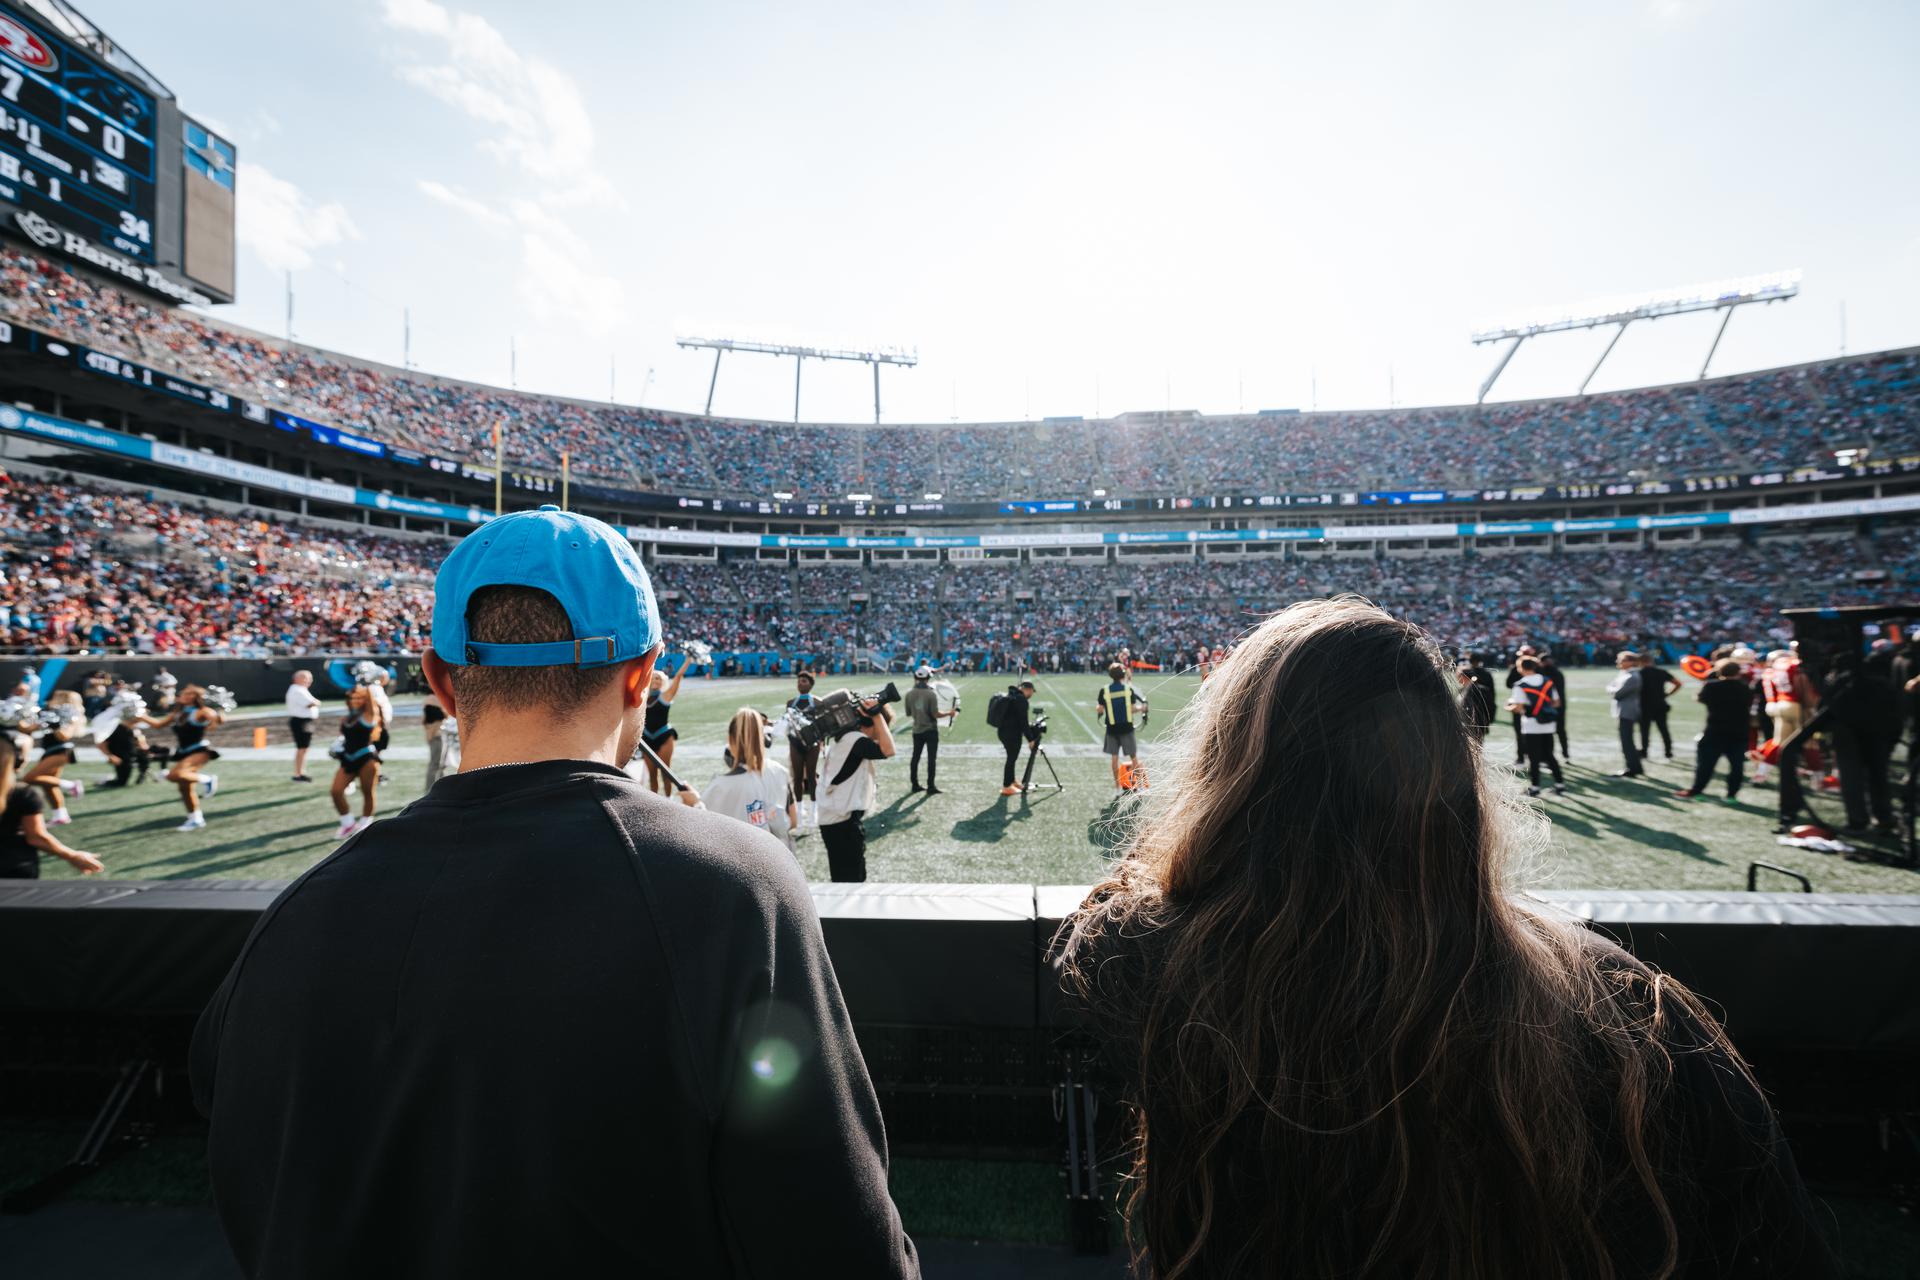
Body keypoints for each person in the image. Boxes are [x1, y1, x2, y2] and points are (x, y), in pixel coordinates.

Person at [190, 504, 916, 1279]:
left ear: (439, 679)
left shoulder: (299, 912)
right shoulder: (734, 888)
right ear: (643, 672)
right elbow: (839, 1240)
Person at [1058, 597, 1833, 1279]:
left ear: (1234, 775)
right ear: (1454, 776)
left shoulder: (1153, 963)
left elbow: (1116, 914)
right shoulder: (1636, 1020)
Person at [816, 697, 896, 882]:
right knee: (851, 882)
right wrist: (877, 715)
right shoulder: (855, 740)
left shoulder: (847, 739)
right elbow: (888, 750)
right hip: (841, 822)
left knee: (844, 878)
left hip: (835, 818)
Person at [0, 741, 103, 877]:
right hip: (14, 868)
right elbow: (36, 837)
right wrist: (72, 856)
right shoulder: (23, 794)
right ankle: (69, 790)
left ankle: (62, 810)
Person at [703, 708, 796, 852]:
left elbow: (703, 831)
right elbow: (793, 821)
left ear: (730, 740)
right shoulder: (780, 772)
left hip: (744, 866)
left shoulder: (720, 786)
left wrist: (694, 802)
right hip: (783, 861)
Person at [138, 685, 223, 832]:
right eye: (183, 693)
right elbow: (158, 724)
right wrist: (139, 715)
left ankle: (208, 780)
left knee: (175, 775)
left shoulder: (201, 711)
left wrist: (217, 714)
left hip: (200, 751)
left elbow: (214, 717)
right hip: (183, 752)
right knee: (184, 788)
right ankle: (196, 819)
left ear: (195, 697)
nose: (183, 695)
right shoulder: (178, 713)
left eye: (188, 693)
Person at [1675, 659, 1753, 800]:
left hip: (1715, 730)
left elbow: (1699, 698)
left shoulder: (1712, 686)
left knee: (1705, 764)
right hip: (1739, 731)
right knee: (1737, 766)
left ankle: (1697, 790)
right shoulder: (1745, 687)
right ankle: (1731, 795)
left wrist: (1708, 681)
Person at [329, 686, 387, 838]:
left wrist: (366, 685)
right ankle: (348, 823)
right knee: (336, 791)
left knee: (367, 792)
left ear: (365, 700)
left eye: (359, 698)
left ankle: (366, 823)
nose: (355, 701)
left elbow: (371, 705)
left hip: (367, 758)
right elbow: (345, 737)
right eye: (353, 698)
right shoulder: (347, 717)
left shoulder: (369, 714)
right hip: (348, 758)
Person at [22, 690, 86, 826]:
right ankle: (60, 816)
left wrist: (55, 725)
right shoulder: (51, 713)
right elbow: (29, 729)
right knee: (48, 785)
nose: (52, 700)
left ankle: (72, 785)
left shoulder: (71, 715)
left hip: (61, 751)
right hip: (50, 751)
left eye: (57, 698)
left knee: (29, 778)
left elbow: (64, 735)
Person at [1507, 656, 1566, 796]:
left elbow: (1518, 708)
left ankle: (1535, 787)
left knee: (1533, 757)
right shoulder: (1548, 682)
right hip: (1548, 723)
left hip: (1531, 724)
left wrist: (1508, 707)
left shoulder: (1520, 684)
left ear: (1521, 668)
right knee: (1549, 755)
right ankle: (1560, 784)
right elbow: (1556, 703)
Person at [1095, 662, 1148, 791]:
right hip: (1127, 728)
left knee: (1114, 758)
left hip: (1112, 729)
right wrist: (1143, 708)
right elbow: (1132, 709)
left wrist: (1099, 710)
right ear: (1122, 675)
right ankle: (1140, 786)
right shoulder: (1127, 690)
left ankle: (1117, 786)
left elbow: (1100, 709)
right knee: (1133, 757)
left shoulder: (1104, 690)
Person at [901, 665, 953, 795]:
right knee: (931, 759)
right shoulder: (931, 694)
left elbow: (908, 713)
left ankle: (915, 784)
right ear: (928, 677)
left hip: (916, 729)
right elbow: (935, 714)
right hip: (930, 730)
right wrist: (949, 713)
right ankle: (931, 786)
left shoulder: (909, 694)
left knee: (915, 758)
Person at [640, 660, 687, 797]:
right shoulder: (642, 697)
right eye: (653, 677)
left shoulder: (665, 695)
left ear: (663, 682)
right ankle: (656, 804)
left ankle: (669, 801)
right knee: (652, 776)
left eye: (659, 678)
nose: (656, 680)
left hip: (664, 735)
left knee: (666, 773)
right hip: (647, 737)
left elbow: (678, 677)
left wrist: (688, 660)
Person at [787, 669, 822, 826]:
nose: (800, 683)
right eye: (799, 680)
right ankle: (799, 811)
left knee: (812, 775)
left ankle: (814, 810)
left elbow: (822, 725)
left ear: (811, 684)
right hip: (795, 744)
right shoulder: (790, 703)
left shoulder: (818, 702)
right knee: (797, 777)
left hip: (813, 744)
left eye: (804, 681)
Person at [1636, 651, 1681, 761]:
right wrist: (1667, 694)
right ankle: (1668, 751)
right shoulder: (1661, 672)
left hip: (1644, 706)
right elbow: (1678, 683)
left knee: (1644, 730)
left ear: (1640, 662)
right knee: (1664, 729)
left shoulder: (1639, 674)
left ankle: (1644, 752)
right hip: (1660, 704)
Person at [1607, 650, 1645, 778]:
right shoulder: (1625, 674)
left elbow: (1617, 693)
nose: (1618, 662)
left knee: (1627, 741)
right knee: (1626, 741)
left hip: (1627, 711)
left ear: (1631, 662)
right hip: (1624, 710)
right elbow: (1612, 687)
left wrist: (1611, 689)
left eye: (1621, 660)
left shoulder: (1631, 677)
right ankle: (1635, 767)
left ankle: (1632, 768)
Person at [996, 680, 1035, 796]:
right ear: (1028, 690)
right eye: (1031, 692)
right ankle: (1007, 786)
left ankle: (1012, 780)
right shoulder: (1021, 700)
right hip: (1011, 733)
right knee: (1011, 758)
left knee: (1012, 757)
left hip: (1004, 731)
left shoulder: (1014, 696)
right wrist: (1031, 739)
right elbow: (1023, 722)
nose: (1031, 695)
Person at [285, 670, 322, 783]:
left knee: (304, 748)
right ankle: (299, 773)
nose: (309, 680)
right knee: (302, 748)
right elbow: (312, 703)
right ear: (297, 678)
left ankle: (300, 772)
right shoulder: (297, 690)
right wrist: (316, 702)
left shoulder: (300, 689)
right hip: (301, 721)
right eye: (306, 678)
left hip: (304, 721)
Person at [421, 695, 458, 788]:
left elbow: (425, 721)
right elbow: (445, 715)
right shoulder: (434, 700)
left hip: (437, 735)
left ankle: (438, 788)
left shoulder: (429, 700)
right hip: (437, 736)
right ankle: (431, 789)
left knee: (441, 765)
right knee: (436, 765)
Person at [1458, 652, 1496, 738]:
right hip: (1483, 705)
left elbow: (1460, 684)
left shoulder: (1465, 671)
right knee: (1479, 736)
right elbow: (1492, 693)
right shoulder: (1486, 673)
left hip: (1467, 704)